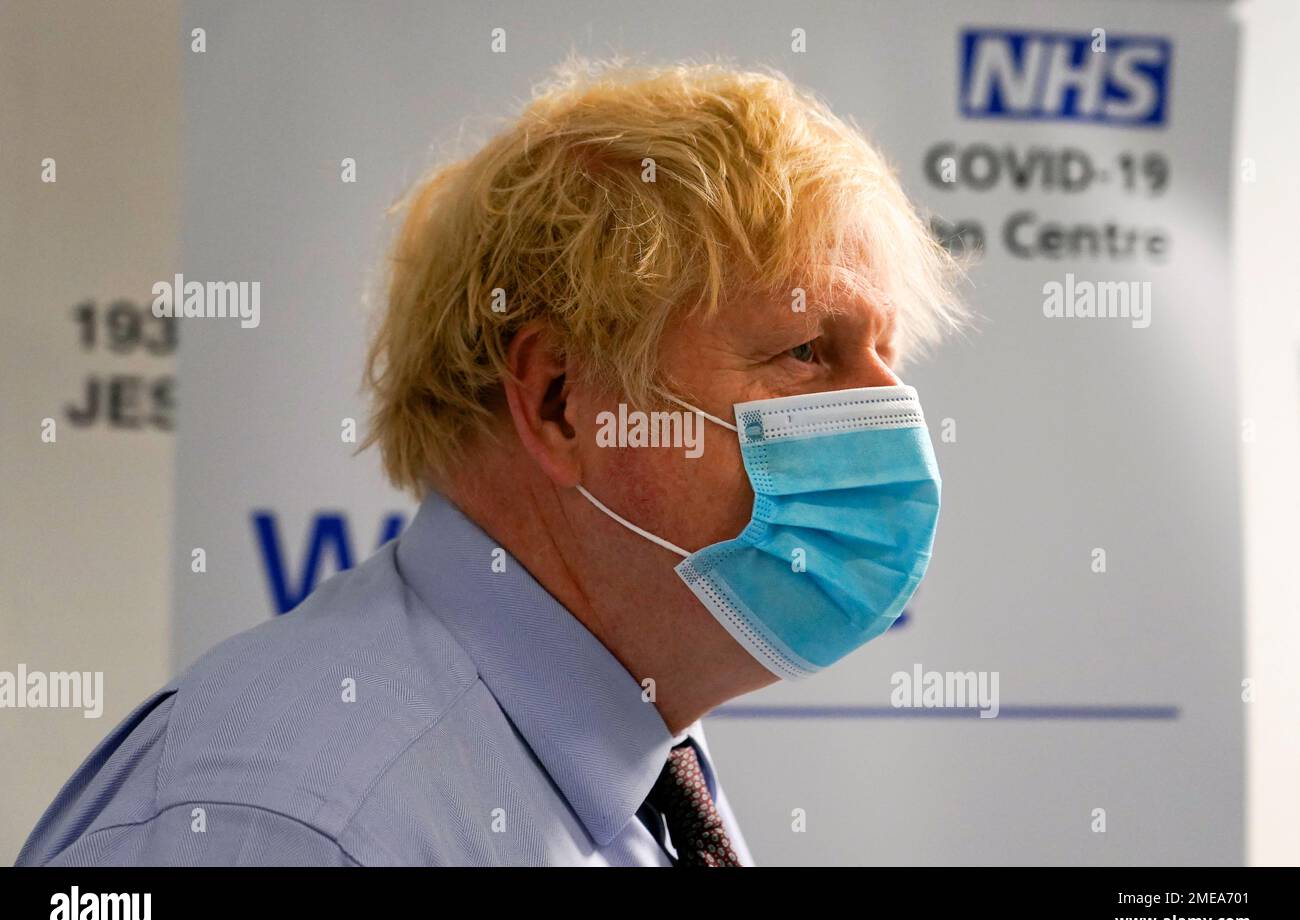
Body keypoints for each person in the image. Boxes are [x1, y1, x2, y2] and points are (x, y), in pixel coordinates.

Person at [17, 58, 967, 867]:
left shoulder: (641, 770)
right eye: (806, 350)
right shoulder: (285, 829)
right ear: (559, 399)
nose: (883, 413)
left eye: (886, 358)